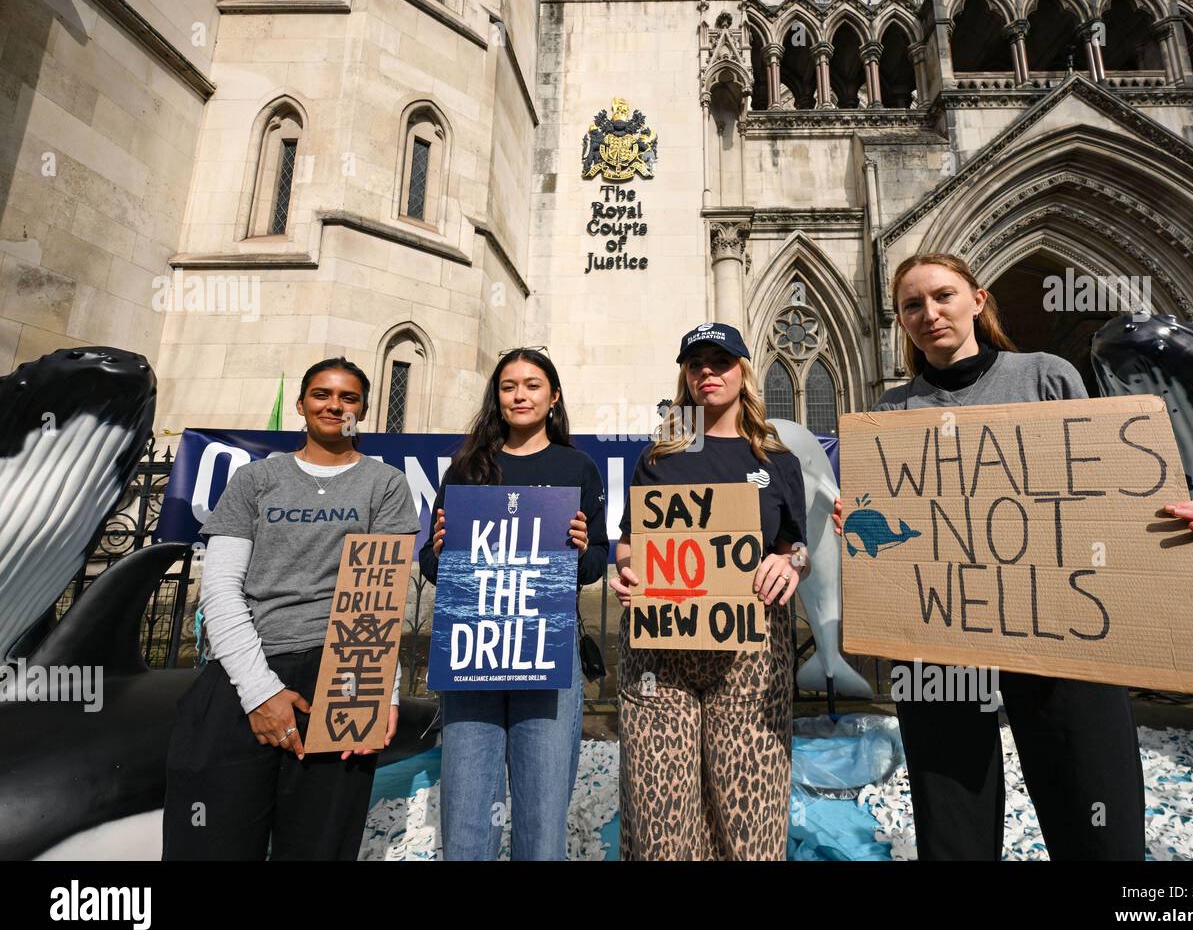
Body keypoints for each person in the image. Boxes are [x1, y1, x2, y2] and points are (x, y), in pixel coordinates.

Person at [833, 252, 1193, 860]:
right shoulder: (890, 416)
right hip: (943, 626)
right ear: (900, 322)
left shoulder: (1046, 376)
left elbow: (1106, 486)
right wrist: (856, 526)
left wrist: (1166, 525)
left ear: (978, 301)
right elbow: (884, 530)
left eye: (943, 296)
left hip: (1061, 618)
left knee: (1092, 797)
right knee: (950, 811)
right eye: (913, 305)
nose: (929, 313)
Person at [163, 358, 421, 860]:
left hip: (341, 675)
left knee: (318, 847)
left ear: (363, 410)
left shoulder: (384, 484)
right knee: (212, 841)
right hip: (245, 673)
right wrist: (261, 694)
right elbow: (219, 589)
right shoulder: (256, 480)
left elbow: (382, 595)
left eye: (348, 398)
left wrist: (377, 697)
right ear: (302, 405)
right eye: (322, 394)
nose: (334, 405)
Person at [609, 323, 810, 860]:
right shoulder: (658, 457)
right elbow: (629, 540)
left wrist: (788, 566)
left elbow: (800, 550)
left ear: (743, 371)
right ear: (685, 376)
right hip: (660, 653)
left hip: (751, 652)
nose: (707, 372)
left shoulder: (777, 460)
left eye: (720, 361)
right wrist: (627, 572)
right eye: (695, 363)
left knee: (749, 808)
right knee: (660, 813)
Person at [420, 348, 608, 860]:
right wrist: (438, 550)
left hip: (547, 648)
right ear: (497, 398)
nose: (519, 395)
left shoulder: (578, 467)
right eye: (508, 386)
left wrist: (581, 546)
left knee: (543, 805)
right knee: (466, 801)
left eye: (531, 385)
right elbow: (432, 567)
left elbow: (594, 566)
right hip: (474, 649)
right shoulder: (467, 467)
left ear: (554, 397)